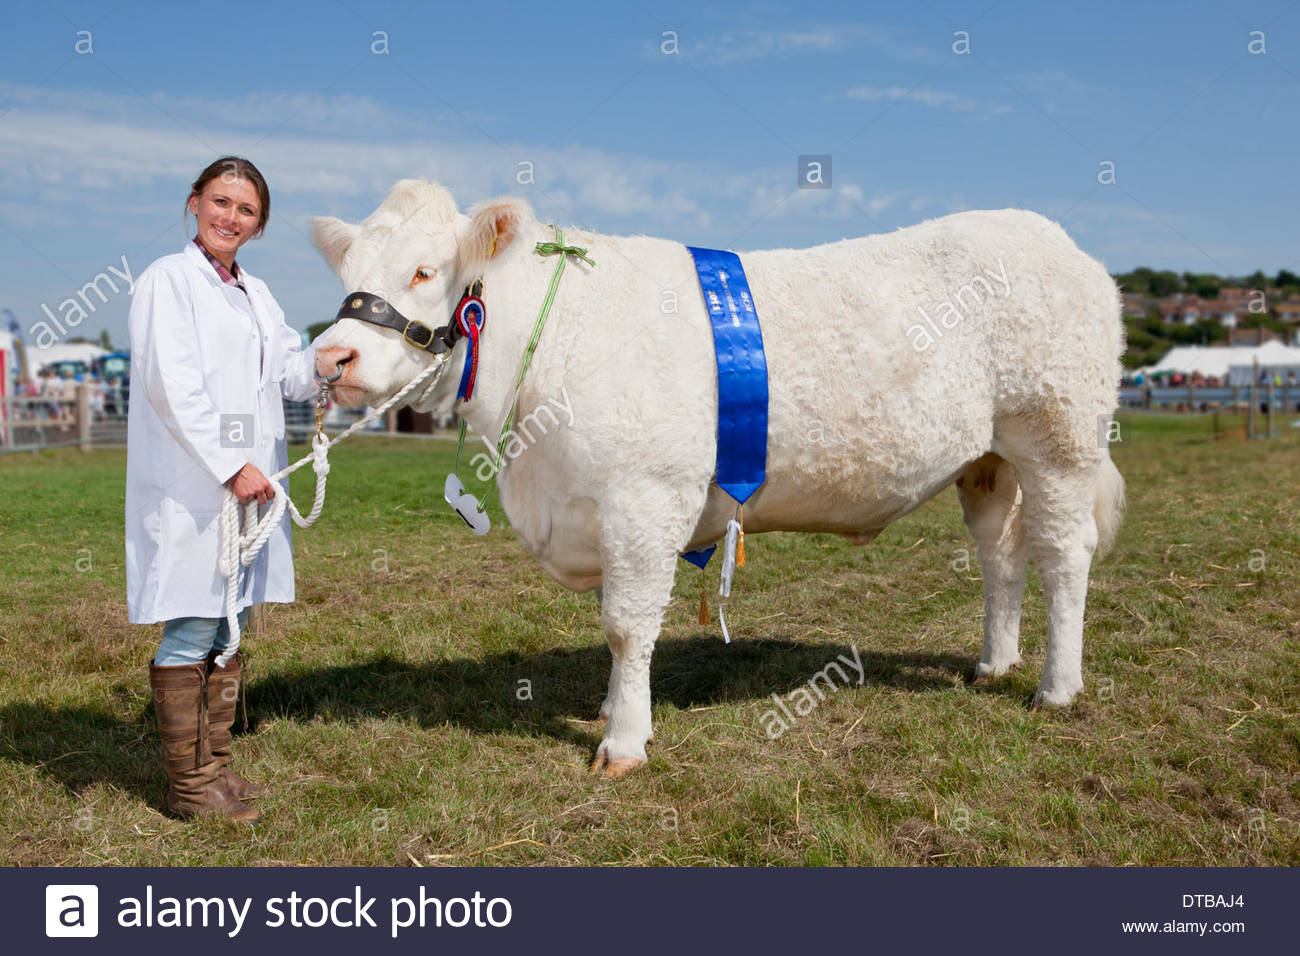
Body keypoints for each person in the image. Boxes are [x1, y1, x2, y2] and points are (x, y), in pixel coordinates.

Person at [125, 156, 319, 822]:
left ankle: (217, 770)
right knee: (193, 621)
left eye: (245, 210)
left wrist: (326, 361)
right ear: (194, 203)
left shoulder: (257, 293)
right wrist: (230, 463)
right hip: (196, 484)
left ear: (258, 224)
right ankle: (188, 786)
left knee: (229, 625)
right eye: (220, 201)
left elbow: (289, 373)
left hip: (250, 487)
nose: (229, 217)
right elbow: (170, 386)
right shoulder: (168, 281)